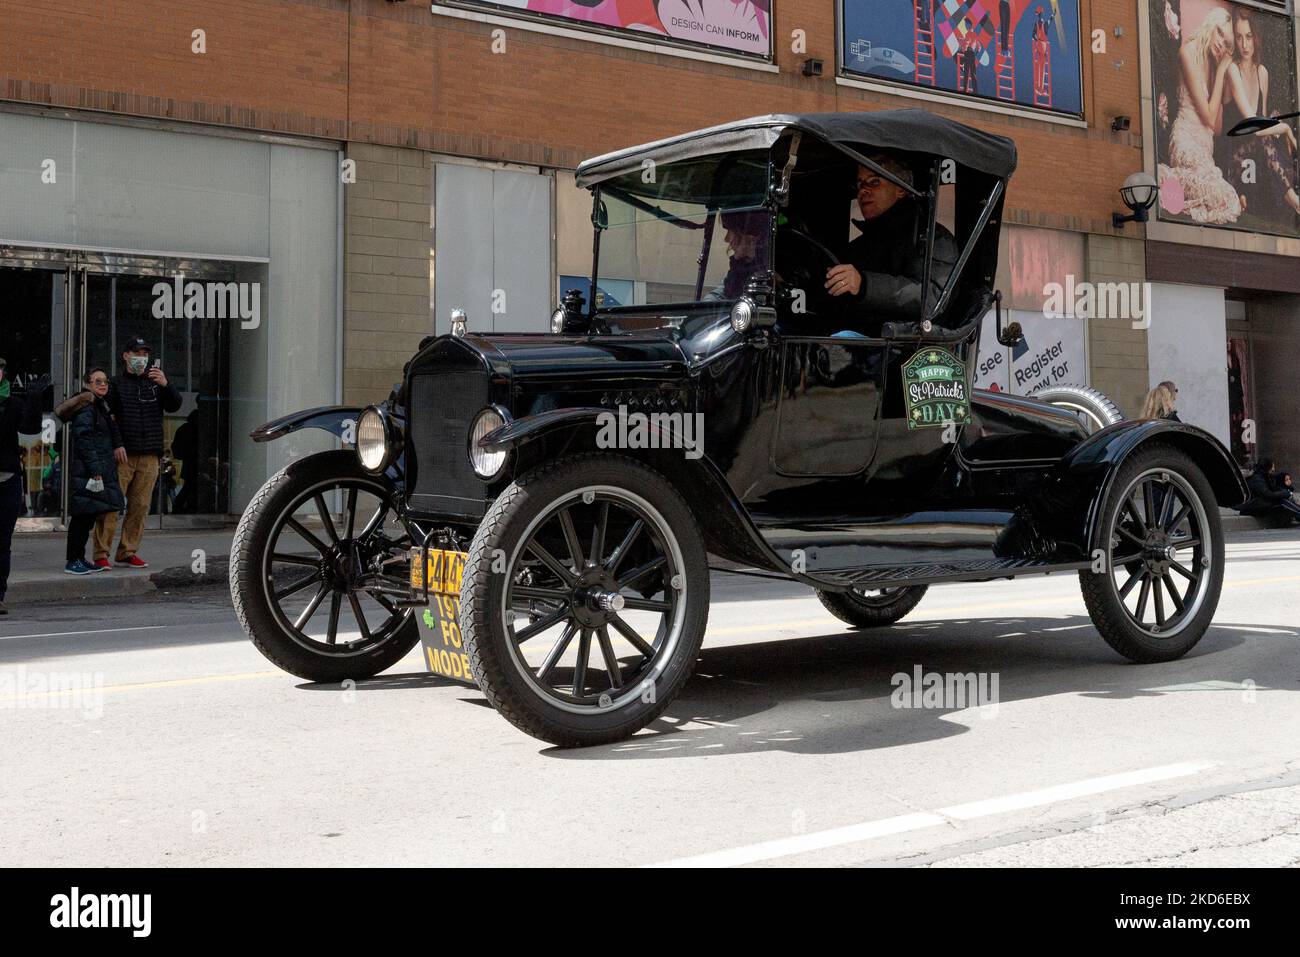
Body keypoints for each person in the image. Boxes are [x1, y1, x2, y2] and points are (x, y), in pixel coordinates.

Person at [824, 155, 959, 326]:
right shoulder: (861, 244)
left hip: (899, 345)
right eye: (860, 184)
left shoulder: (933, 237)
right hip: (850, 335)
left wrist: (864, 285)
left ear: (901, 189)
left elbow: (933, 298)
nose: (863, 191)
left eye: (874, 182)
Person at [94, 337, 182, 569]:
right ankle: (101, 553)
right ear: (125, 355)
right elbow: (107, 418)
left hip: (150, 454)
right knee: (112, 504)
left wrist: (166, 384)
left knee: (140, 506)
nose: (140, 358)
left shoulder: (155, 383)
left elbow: (175, 405)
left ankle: (127, 550)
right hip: (123, 454)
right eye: (136, 353)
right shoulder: (115, 384)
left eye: (144, 354)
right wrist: (116, 444)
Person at [1157, 8, 1241, 225]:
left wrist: (1224, 70)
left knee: (1226, 199)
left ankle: (1176, 185)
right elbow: (1210, 119)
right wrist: (1223, 70)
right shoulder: (1188, 52)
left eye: (1227, 41)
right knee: (1225, 198)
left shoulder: (1213, 64)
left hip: (1205, 150)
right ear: (1210, 25)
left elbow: (1223, 112)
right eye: (1220, 33)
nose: (1221, 42)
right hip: (1186, 141)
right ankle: (1164, 177)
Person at [1220, 8, 1300, 217]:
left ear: (1256, 37)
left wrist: (1277, 131)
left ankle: (1254, 193)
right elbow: (1253, 125)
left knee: (1268, 134)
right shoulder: (1232, 70)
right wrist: (1285, 129)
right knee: (1265, 134)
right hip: (1233, 151)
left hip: (1257, 154)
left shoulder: (1262, 72)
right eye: (1239, 38)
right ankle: (1294, 200)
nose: (1244, 45)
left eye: (1248, 36)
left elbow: (1263, 122)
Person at [64, 370, 126, 575]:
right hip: (88, 470)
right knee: (82, 516)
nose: (103, 385)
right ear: (87, 384)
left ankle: (79, 558)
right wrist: (95, 470)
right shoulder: (87, 408)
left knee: (89, 514)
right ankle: (73, 560)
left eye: (105, 381)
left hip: (94, 468)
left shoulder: (100, 406)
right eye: (97, 381)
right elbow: (84, 440)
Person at [0, 359, 47, 615]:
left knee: (2, 542)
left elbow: (30, 434)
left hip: (7, 479)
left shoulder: (13, 404)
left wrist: (35, 401)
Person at [1240, 457, 1300, 524]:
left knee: (1283, 500)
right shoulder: (1257, 479)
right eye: (1272, 467)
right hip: (1252, 507)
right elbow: (1268, 494)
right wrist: (1285, 493)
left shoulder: (1265, 476)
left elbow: (1274, 489)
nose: (1273, 469)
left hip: (1262, 504)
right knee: (1281, 501)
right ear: (1267, 467)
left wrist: (1285, 492)